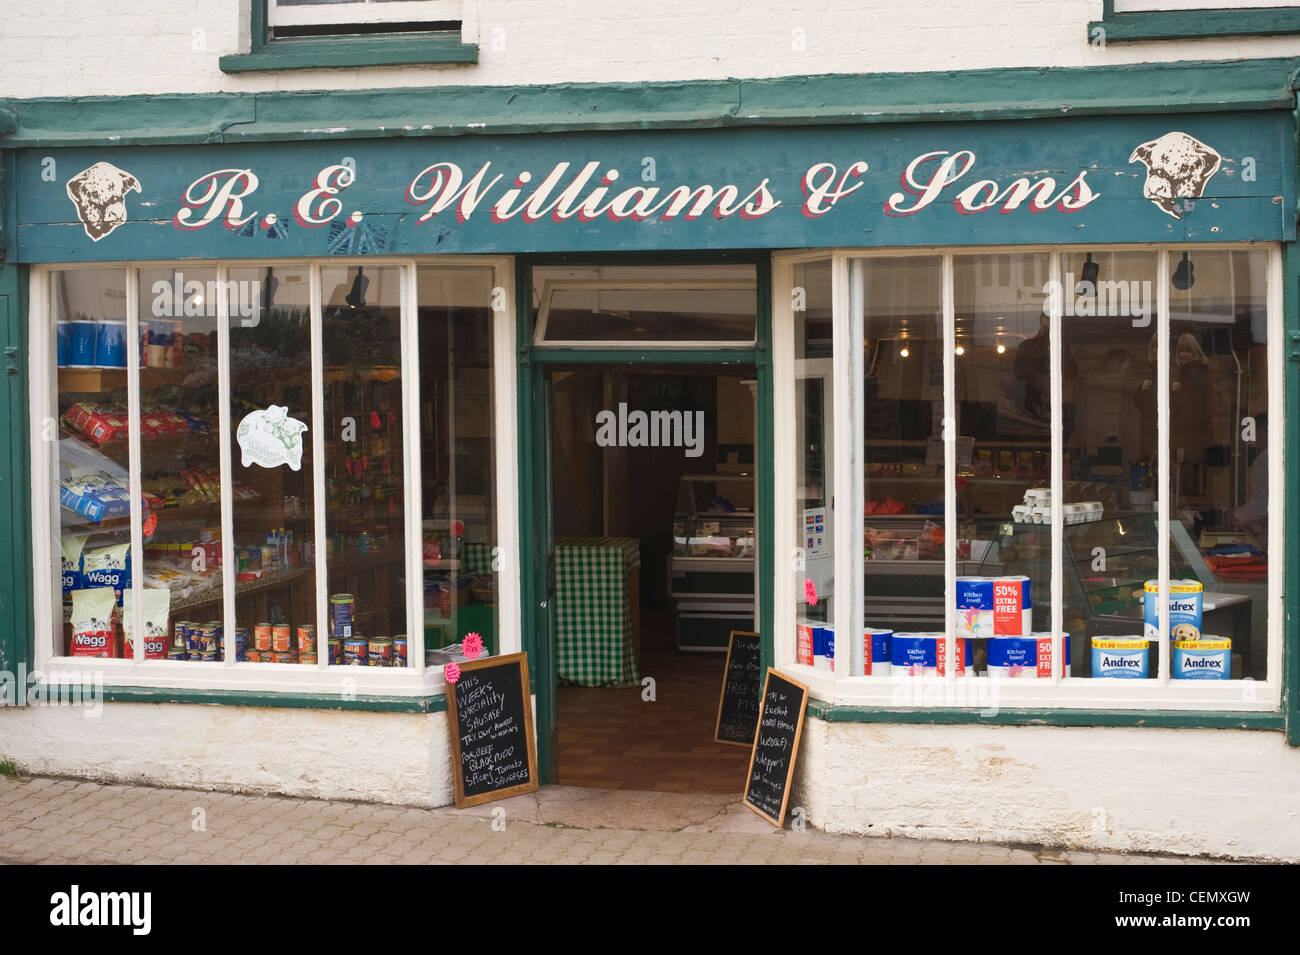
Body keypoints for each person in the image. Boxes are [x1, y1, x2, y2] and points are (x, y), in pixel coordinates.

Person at [1170, 332, 1211, 500]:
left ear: (1195, 352)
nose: (1184, 354)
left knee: (1187, 480)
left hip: (1190, 434)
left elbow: (1195, 407)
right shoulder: (1188, 373)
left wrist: (1176, 395)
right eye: (1181, 351)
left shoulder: (1194, 374)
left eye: (1188, 351)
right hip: (1190, 433)